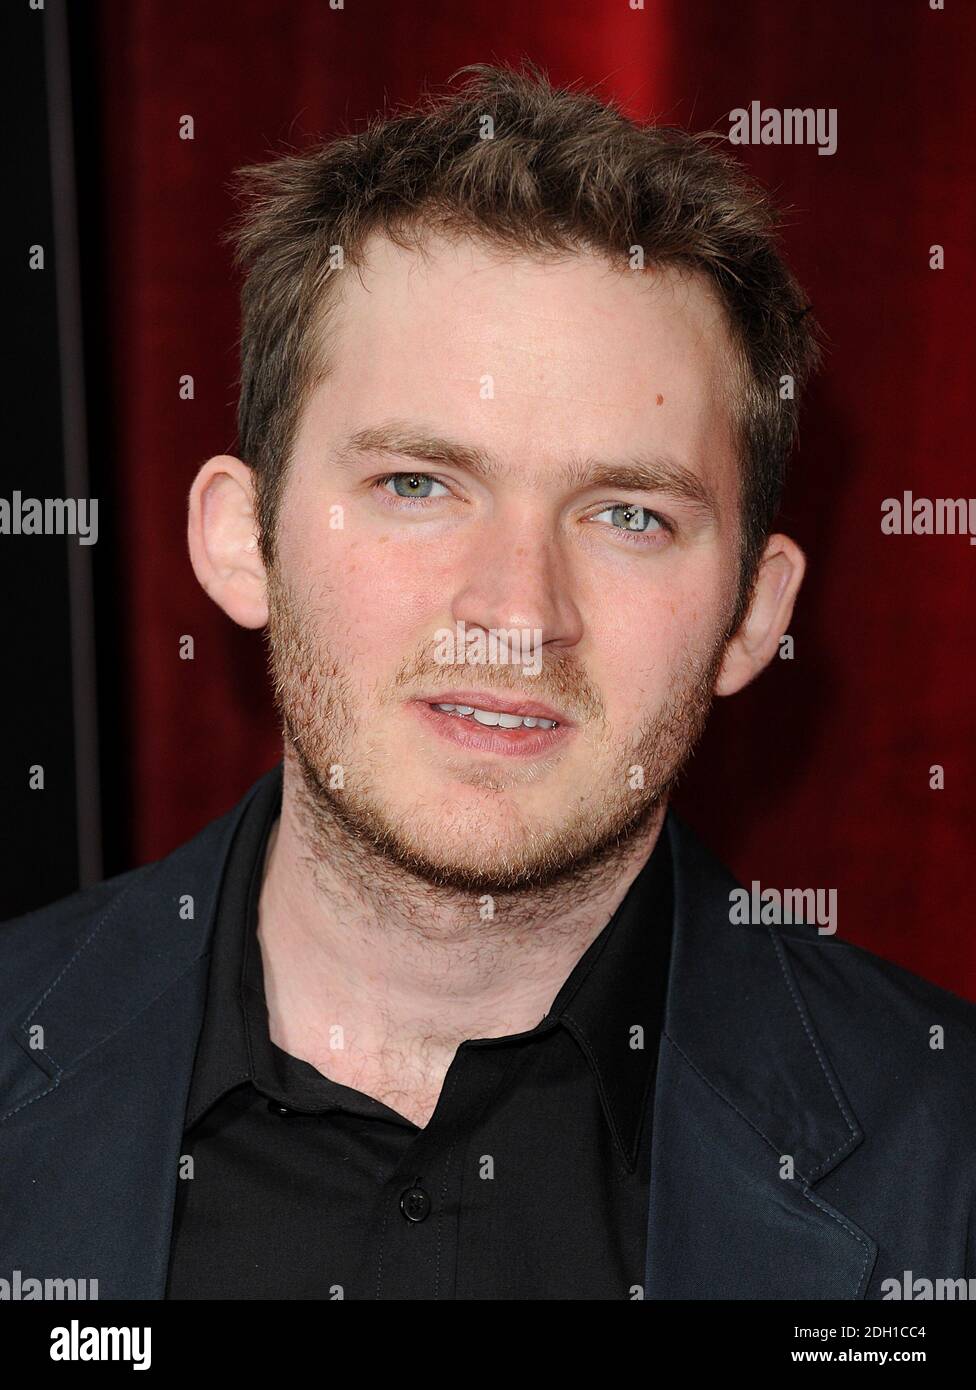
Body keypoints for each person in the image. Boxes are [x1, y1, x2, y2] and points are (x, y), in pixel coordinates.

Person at [2, 62, 974, 1302]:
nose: (518, 612)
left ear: (753, 616)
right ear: (240, 541)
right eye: (417, 485)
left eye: (626, 514)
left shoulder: (949, 1169)